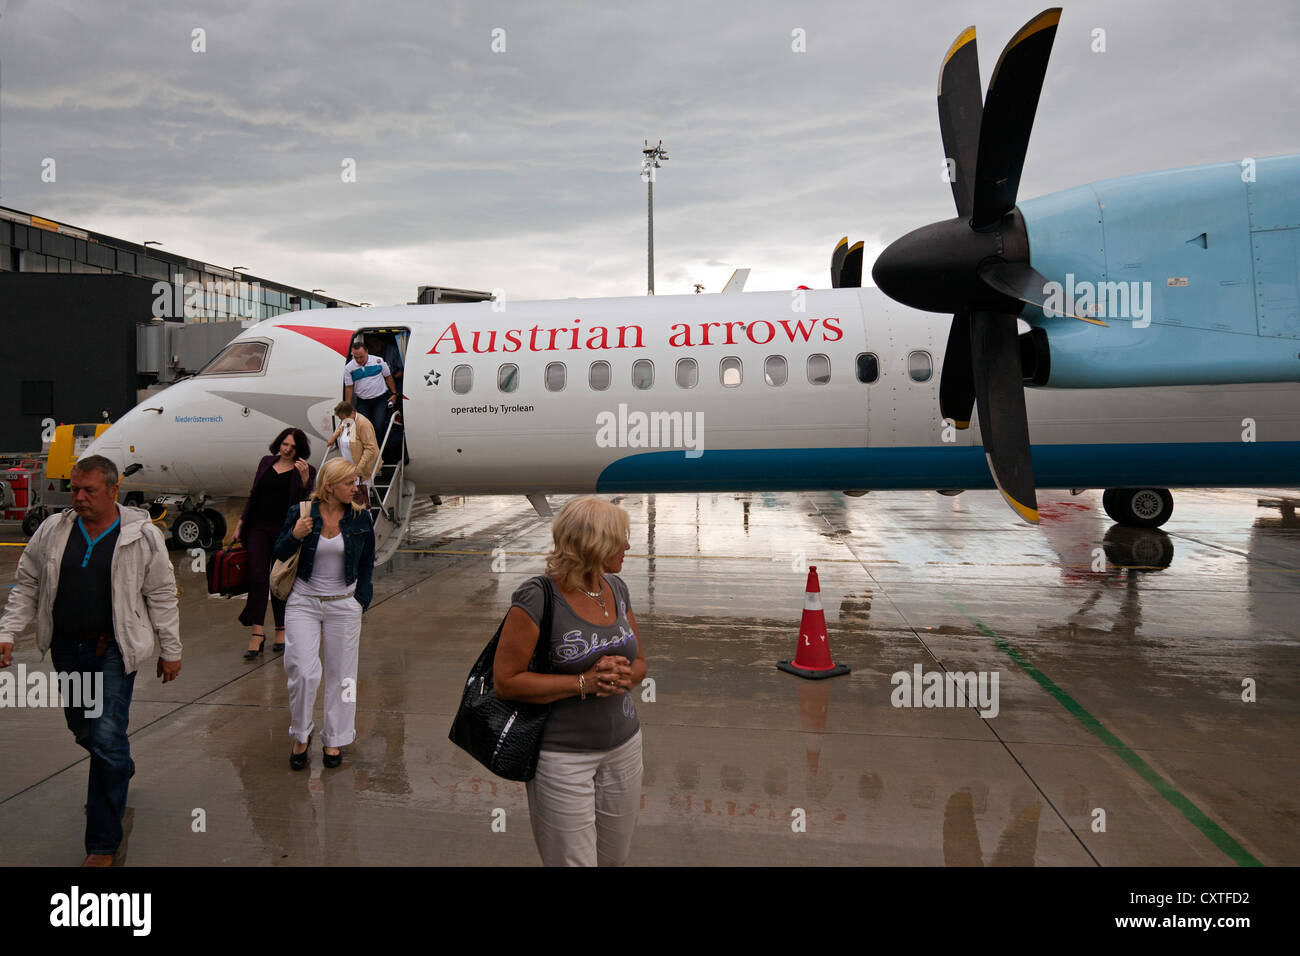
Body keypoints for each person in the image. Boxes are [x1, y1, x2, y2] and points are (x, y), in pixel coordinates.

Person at [0, 455, 181, 867]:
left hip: (114, 651)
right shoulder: (53, 529)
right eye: (75, 490)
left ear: (113, 490)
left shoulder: (141, 535)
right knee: (85, 730)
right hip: (67, 649)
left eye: (89, 491)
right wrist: (7, 631)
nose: (78, 498)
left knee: (103, 737)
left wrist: (171, 650)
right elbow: (27, 583)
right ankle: (120, 764)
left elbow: (162, 594)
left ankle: (101, 844)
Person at [494, 496, 647, 866]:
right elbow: (506, 680)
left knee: (615, 860)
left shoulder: (617, 589)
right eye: (620, 538)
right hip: (562, 758)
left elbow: (640, 662)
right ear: (593, 543)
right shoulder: (538, 596)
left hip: (624, 748)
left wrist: (626, 674)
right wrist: (583, 683)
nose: (628, 546)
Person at [274, 457, 375, 770]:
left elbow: (368, 562)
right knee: (303, 672)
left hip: (344, 604)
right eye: (349, 483)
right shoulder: (301, 513)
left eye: (356, 481)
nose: (355, 488)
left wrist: (361, 599)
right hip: (303, 601)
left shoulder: (361, 518)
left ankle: (335, 738)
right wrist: (296, 535)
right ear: (329, 486)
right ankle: (300, 734)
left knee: (342, 677)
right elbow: (279, 552)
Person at [234, 428, 315, 659]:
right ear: (279, 443)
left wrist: (305, 481)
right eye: (284, 444)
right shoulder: (266, 462)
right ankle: (257, 632)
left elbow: (303, 504)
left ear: (300, 450)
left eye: (292, 447)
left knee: (279, 578)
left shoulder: (306, 470)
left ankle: (281, 628)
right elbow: (253, 494)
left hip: (284, 531)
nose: (287, 450)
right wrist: (241, 522)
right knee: (258, 576)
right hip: (257, 527)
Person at [343, 338, 397, 450]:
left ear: (367, 352)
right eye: (356, 357)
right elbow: (349, 387)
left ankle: (380, 451)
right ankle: (369, 450)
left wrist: (394, 393)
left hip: (380, 399)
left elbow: (388, 377)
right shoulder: (349, 368)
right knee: (364, 427)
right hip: (363, 401)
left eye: (361, 356)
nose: (359, 360)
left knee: (378, 426)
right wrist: (348, 406)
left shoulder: (378, 361)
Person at [326, 401, 378, 506]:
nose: (342, 422)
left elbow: (370, 448)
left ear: (352, 413)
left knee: (361, 500)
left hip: (361, 469)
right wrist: (333, 437)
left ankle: (366, 518)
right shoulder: (347, 421)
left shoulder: (363, 424)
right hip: (349, 468)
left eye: (343, 419)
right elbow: (341, 427)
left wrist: (359, 469)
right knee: (351, 498)